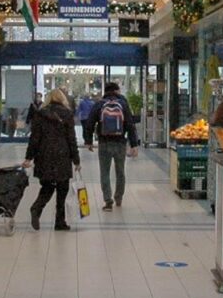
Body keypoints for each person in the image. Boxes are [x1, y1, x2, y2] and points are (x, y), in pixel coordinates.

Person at [24, 89, 80, 231]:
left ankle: (36, 208)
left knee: (47, 186)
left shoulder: (40, 114)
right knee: (62, 188)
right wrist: (76, 160)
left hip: (44, 155)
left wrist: (29, 157)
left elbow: (34, 138)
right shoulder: (67, 114)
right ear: (63, 99)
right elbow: (71, 139)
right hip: (62, 154)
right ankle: (59, 222)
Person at [84, 82, 139, 211]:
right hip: (120, 143)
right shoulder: (123, 104)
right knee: (120, 172)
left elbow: (90, 123)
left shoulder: (99, 104)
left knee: (105, 172)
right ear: (116, 91)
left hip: (104, 143)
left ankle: (108, 201)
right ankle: (118, 197)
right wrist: (134, 144)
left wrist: (88, 141)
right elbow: (130, 125)